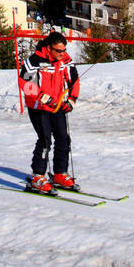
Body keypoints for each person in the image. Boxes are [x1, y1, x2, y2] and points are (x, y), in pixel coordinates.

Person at [18, 32, 80, 192]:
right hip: (39, 107)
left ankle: (60, 173)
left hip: (57, 105)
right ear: (48, 48)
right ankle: (38, 176)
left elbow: (74, 79)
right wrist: (42, 97)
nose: (62, 54)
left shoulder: (65, 60)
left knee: (63, 139)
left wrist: (71, 100)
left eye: (64, 50)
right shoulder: (34, 61)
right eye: (58, 51)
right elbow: (24, 82)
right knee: (45, 141)